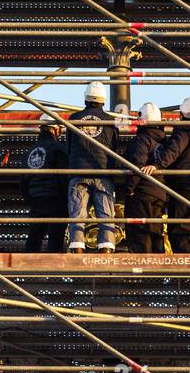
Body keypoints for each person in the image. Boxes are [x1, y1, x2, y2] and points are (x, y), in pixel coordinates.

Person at [150, 95, 190, 253]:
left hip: (185, 187)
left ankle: (187, 271)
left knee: (180, 229)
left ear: (181, 114)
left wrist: (156, 165)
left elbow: (173, 152)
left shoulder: (184, 132)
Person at [66, 82, 118, 253]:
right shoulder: (110, 121)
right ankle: (107, 248)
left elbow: (69, 145)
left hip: (78, 171)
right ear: (103, 99)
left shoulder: (74, 119)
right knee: (105, 214)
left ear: (86, 98)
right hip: (103, 171)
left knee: (77, 213)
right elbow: (114, 147)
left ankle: (77, 247)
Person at [124, 103, 169, 253]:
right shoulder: (165, 143)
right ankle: (156, 273)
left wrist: (129, 189)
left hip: (142, 193)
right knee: (156, 233)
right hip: (160, 194)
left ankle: (143, 273)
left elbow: (138, 165)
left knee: (140, 235)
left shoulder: (142, 140)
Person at [22, 112, 69, 253]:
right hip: (56, 199)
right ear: (55, 129)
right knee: (56, 238)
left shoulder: (29, 152)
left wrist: (31, 198)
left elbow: (23, 180)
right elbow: (64, 176)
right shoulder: (58, 148)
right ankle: (54, 272)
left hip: (36, 199)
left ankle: (28, 270)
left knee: (34, 237)